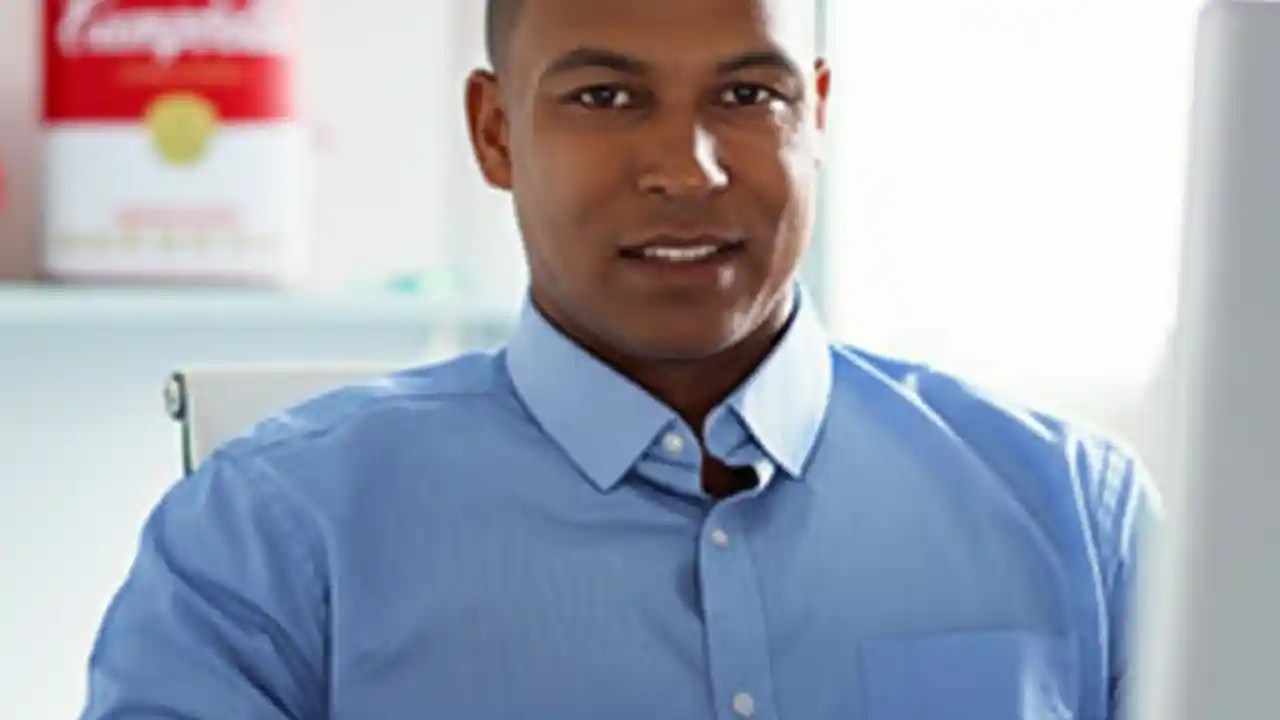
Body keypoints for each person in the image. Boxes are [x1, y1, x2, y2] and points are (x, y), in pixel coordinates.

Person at [82, 0, 1160, 717]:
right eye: (605, 97)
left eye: (748, 96)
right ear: (495, 133)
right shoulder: (269, 538)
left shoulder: (1078, 517)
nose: (687, 170)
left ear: (817, 116)